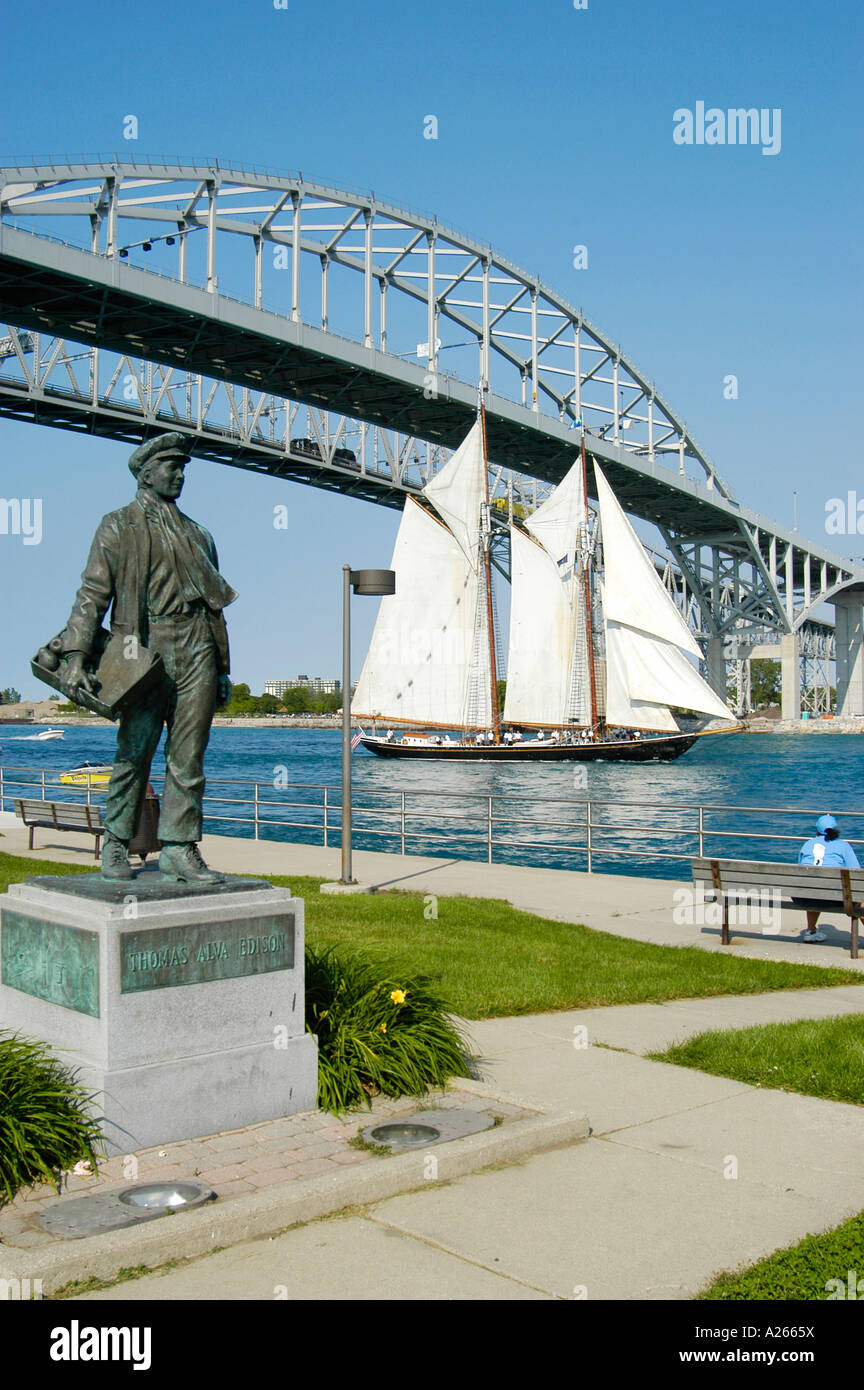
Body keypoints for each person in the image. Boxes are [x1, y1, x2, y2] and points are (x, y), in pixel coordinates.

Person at [59, 432, 237, 883]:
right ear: (145, 474)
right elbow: (92, 594)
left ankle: (179, 847)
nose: (179, 476)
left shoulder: (200, 535)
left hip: (197, 646)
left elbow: (214, 609)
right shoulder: (117, 525)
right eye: (171, 468)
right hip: (143, 649)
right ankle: (116, 842)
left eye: (182, 469)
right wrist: (76, 654)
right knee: (134, 751)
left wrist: (222, 667)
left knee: (189, 757)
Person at [797, 814, 860, 942]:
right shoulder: (843, 846)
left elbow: (799, 868)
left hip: (803, 897)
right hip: (833, 898)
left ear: (817, 830)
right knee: (861, 899)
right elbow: (856, 873)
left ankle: (811, 931)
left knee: (813, 885)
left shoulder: (807, 844)